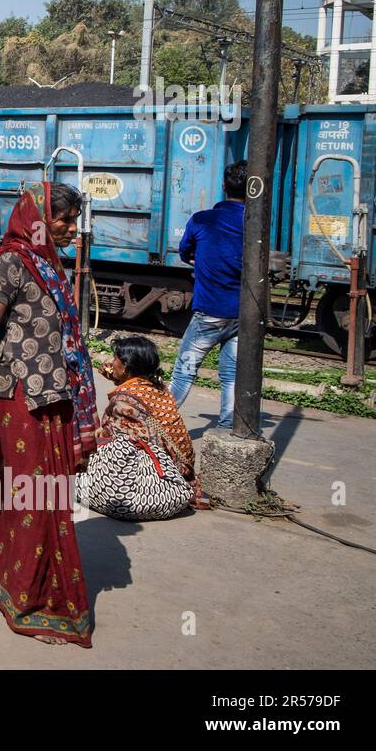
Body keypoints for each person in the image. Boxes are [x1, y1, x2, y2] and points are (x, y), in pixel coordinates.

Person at [0, 181, 98, 648]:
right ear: (36, 218)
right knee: (32, 492)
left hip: (50, 397)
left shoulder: (49, 264)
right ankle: (29, 594)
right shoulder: (11, 262)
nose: (73, 229)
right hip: (16, 398)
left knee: (36, 491)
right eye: (64, 219)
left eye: (75, 220)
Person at [79, 335, 199, 520]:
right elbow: (117, 374)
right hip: (181, 469)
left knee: (83, 448)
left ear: (126, 367)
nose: (111, 363)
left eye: (115, 359)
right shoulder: (158, 388)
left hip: (149, 472)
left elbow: (109, 440)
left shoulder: (124, 402)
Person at [170, 161, 245, 429]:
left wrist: (201, 260)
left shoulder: (202, 220)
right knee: (231, 377)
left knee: (183, 373)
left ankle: (156, 426)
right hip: (241, 316)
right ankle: (226, 427)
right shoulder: (256, 223)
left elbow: (183, 251)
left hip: (209, 316)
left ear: (224, 186)